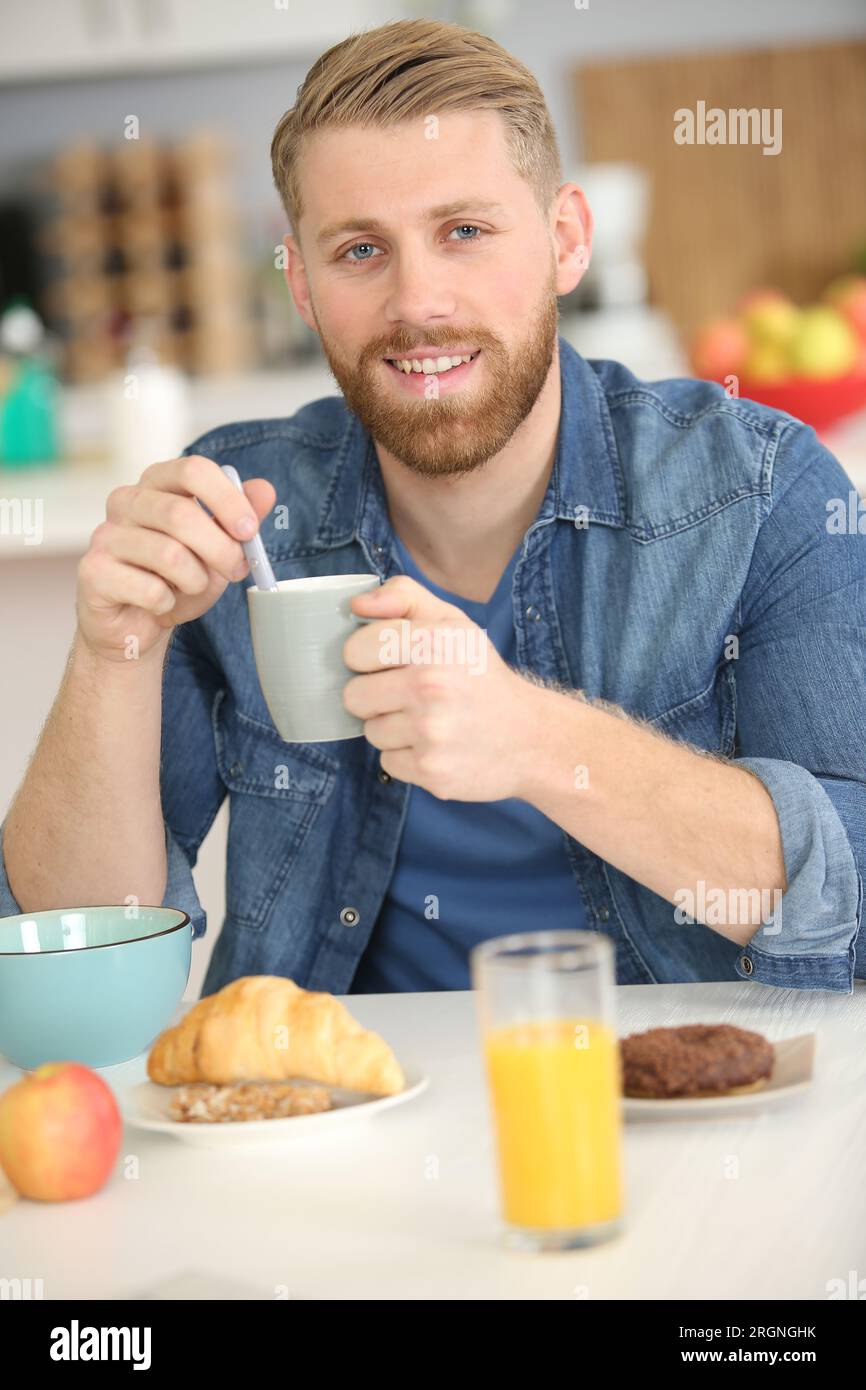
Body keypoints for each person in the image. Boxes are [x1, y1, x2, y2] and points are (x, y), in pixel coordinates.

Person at [2, 18, 864, 999]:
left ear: (564, 240)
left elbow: (854, 896)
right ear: (300, 285)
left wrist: (534, 739)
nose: (418, 302)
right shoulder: (240, 517)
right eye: (360, 249)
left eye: (463, 232)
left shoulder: (758, 493)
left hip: (677, 1111)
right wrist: (111, 649)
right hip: (324, 1110)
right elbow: (74, 964)